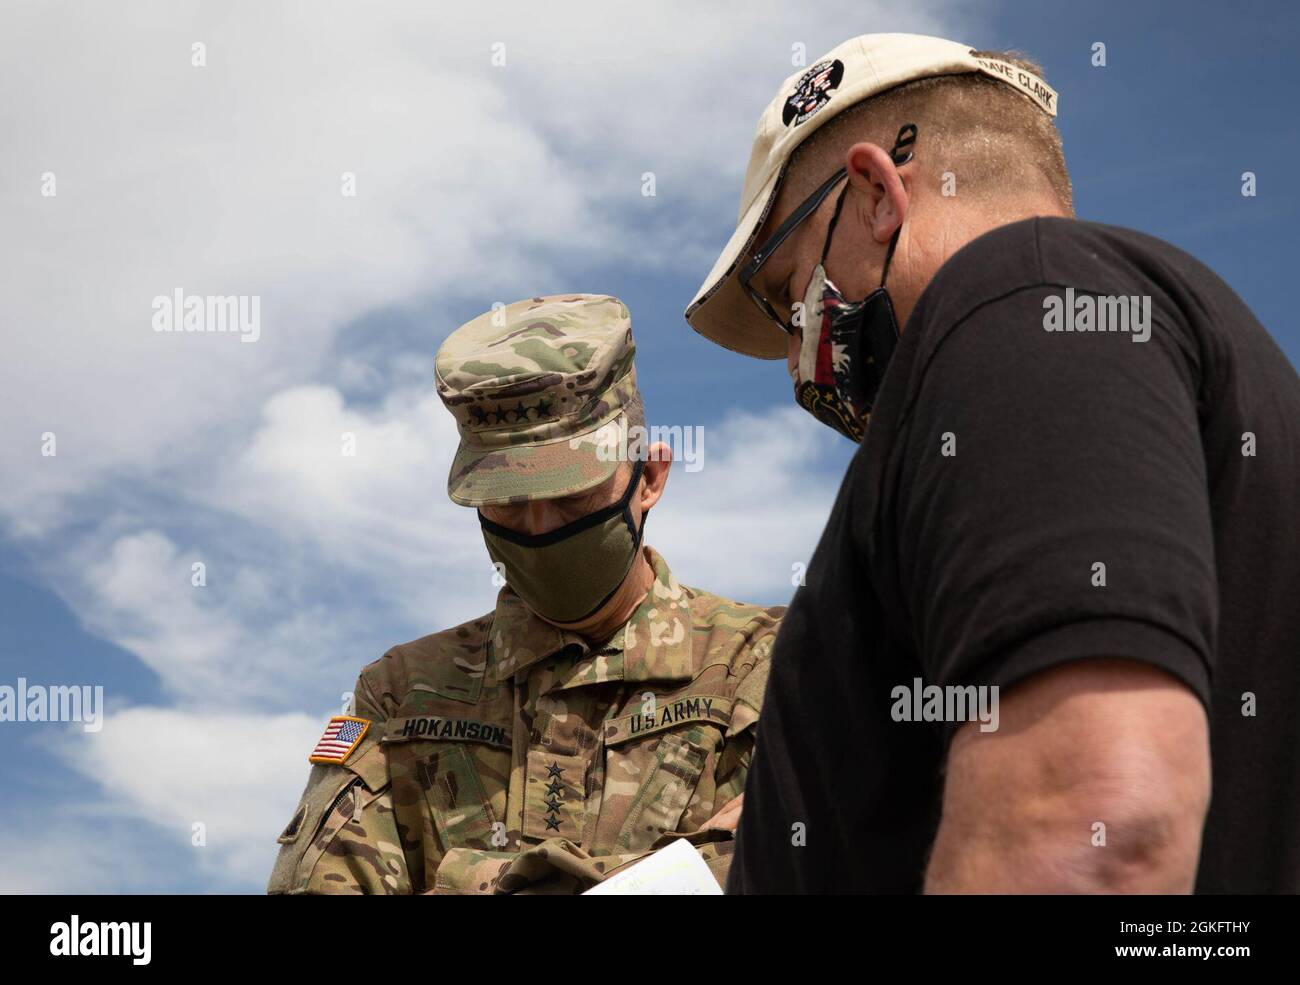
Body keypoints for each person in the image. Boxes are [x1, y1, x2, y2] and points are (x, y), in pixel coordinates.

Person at [684, 33, 1300, 893]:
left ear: (874, 194)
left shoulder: (1020, 304)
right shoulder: (1111, 340)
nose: (800, 356)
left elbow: (1089, 828)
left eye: (794, 294)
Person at [269, 293, 781, 894]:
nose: (540, 532)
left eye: (570, 498)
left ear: (649, 478)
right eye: (509, 505)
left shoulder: (770, 668)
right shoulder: (401, 696)